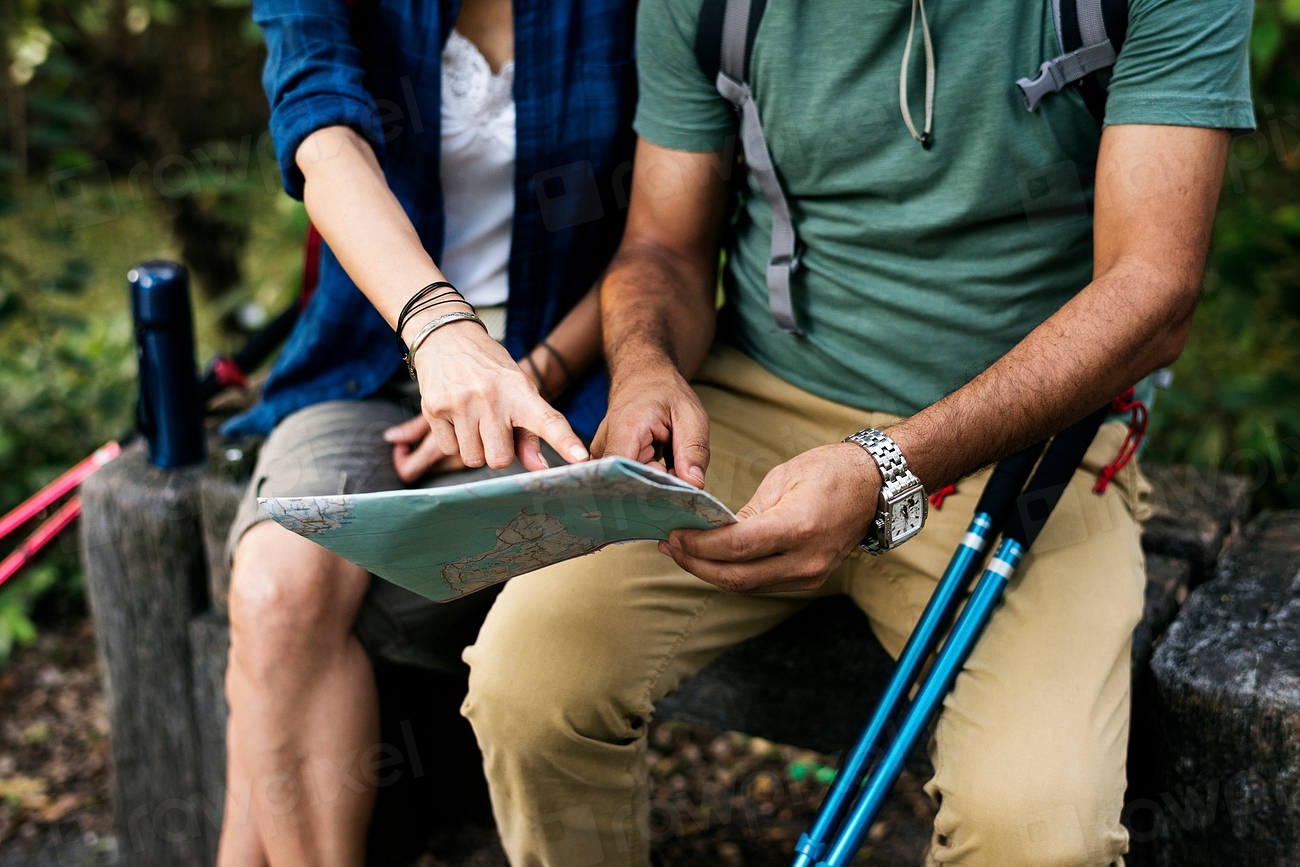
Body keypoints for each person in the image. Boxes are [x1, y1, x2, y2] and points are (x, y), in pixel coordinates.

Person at [461, 1, 1254, 865]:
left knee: (1040, 835)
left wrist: (884, 466)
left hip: (1030, 447)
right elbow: (664, 246)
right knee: (529, 688)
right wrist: (647, 366)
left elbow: (1153, 293)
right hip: (758, 402)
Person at [216, 0, 635, 863]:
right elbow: (321, 132)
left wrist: (525, 373)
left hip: (568, 378)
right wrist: (441, 333)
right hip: (373, 358)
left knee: (287, 640)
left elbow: (667, 235)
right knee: (275, 590)